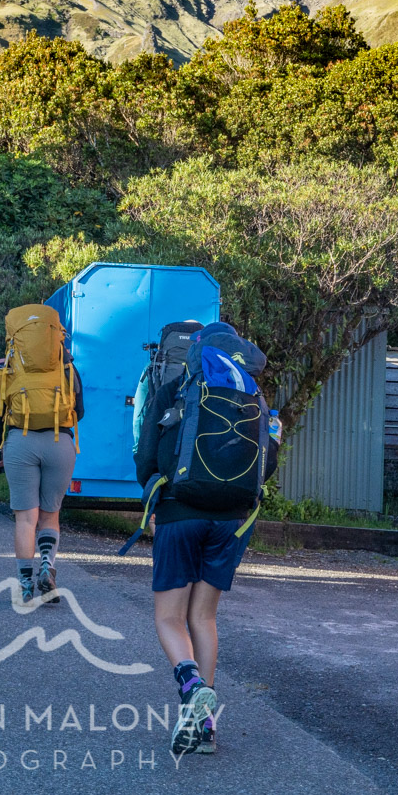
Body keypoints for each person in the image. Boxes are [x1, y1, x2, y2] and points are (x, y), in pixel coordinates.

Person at [132, 320, 278, 757]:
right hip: (231, 520)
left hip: (179, 512)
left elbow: (146, 453)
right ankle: (206, 728)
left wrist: (153, 500)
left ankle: (191, 684)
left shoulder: (174, 389)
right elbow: (267, 463)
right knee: (204, 618)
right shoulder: (254, 396)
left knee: (168, 617)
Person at [0, 304, 84, 604]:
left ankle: (25, 585)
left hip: (21, 442)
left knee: (26, 519)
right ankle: (46, 566)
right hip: (60, 443)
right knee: (50, 515)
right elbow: (80, 411)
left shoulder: (9, 366)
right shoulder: (67, 366)